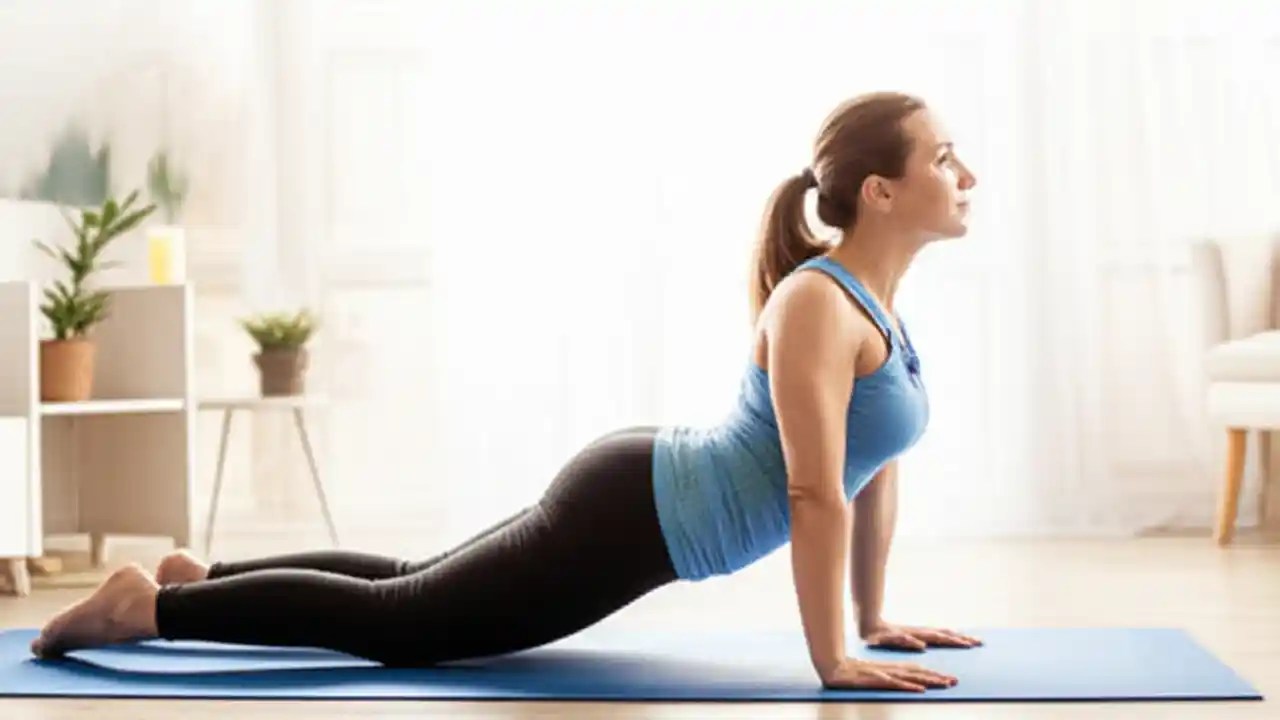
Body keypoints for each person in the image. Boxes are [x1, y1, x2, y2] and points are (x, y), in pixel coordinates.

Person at [30, 90, 980, 693]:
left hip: (639, 496)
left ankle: (201, 580)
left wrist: (872, 619)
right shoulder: (818, 303)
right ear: (879, 192)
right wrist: (831, 659)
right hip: (635, 515)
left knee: (411, 583)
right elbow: (813, 493)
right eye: (942, 157)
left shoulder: (875, 308)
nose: (964, 174)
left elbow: (869, 467)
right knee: (405, 626)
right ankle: (148, 611)